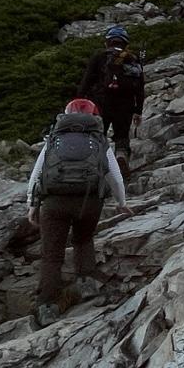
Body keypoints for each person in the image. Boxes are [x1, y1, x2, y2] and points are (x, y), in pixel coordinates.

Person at [27, 98, 127, 327]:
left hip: (55, 202)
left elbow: (37, 174)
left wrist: (32, 205)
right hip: (89, 200)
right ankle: (86, 283)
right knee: (83, 239)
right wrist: (122, 202)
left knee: (52, 255)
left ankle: (47, 306)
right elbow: (114, 176)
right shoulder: (98, 139)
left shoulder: (53, 139)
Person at [76, 25, 146, 168]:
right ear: (125, 43)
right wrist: (138, 110)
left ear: (107, 42)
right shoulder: (132, 59)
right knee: (122, 135)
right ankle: (121, 156)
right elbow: (140, 87)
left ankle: (95, 164)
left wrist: (79, 100)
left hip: (101, 102)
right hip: (125, 104)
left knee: (97, 133)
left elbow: (87, 80)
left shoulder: (99, 56)